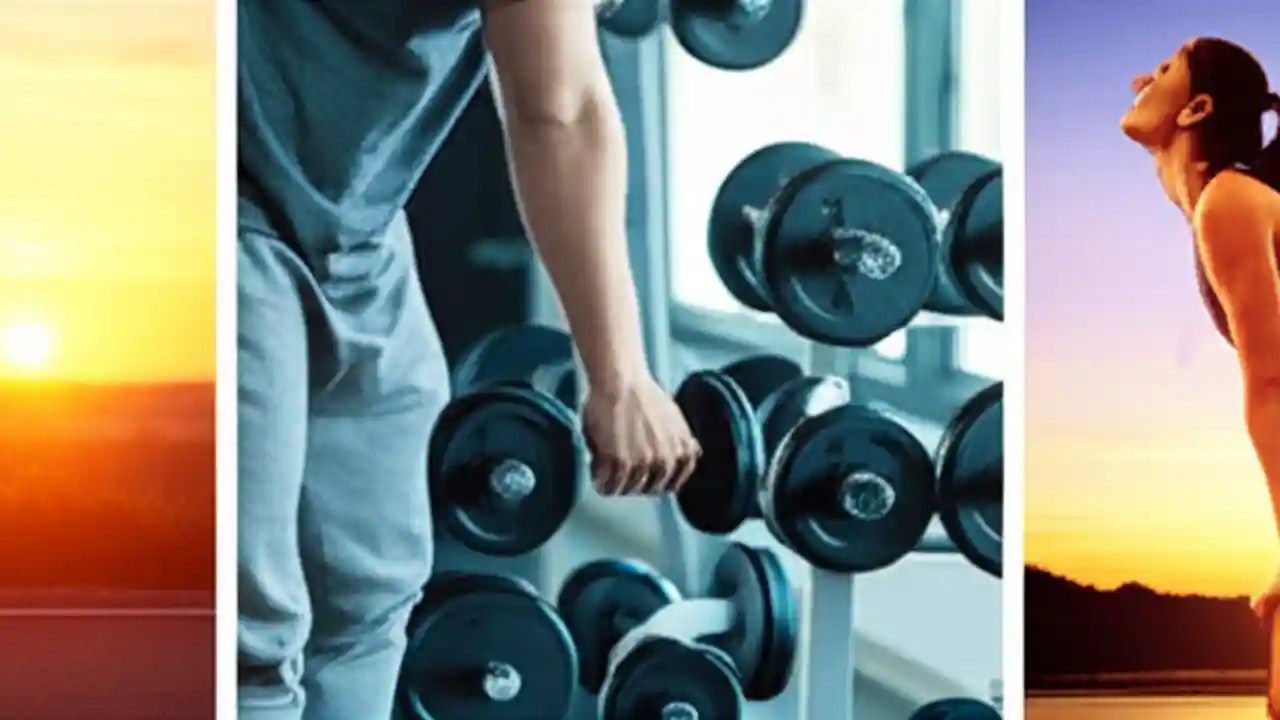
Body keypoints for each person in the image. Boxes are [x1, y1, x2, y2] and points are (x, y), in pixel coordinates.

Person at [237, 1, 702, 717]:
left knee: (368, 596)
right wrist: (620, 377)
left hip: (359, 226)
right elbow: (560, 111)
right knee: (246, 627)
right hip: (219, 196)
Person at [1121, 36, 1280, 640]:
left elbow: (1272, 382)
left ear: (1196, 109)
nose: (1141, 80)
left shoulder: (1228, 203)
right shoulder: (1223, 203)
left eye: (1164, 70)